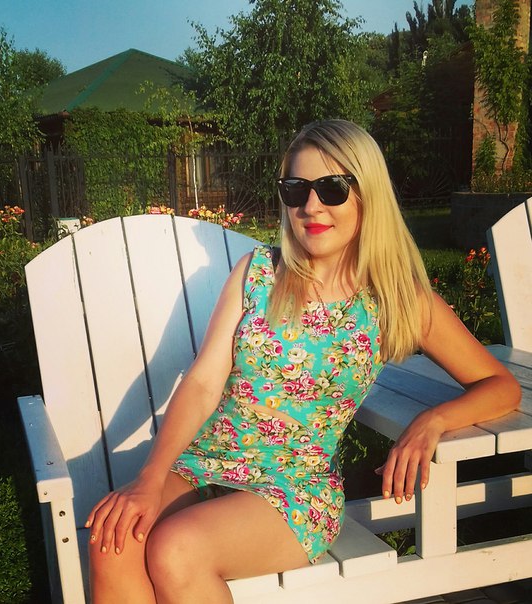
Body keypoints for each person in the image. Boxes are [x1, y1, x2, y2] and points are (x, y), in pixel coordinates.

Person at [86, 119, 521, 603]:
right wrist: (150, 478)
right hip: (204, 460)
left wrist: (432, 422)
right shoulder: (257, 274)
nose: (311, 205)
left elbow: (499, 385)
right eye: (296, 189)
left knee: (176, 549)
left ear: (368, 195)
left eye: (332, 188)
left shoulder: (397, 299)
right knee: (113, 542)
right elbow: (204, 382)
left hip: (295, 484)